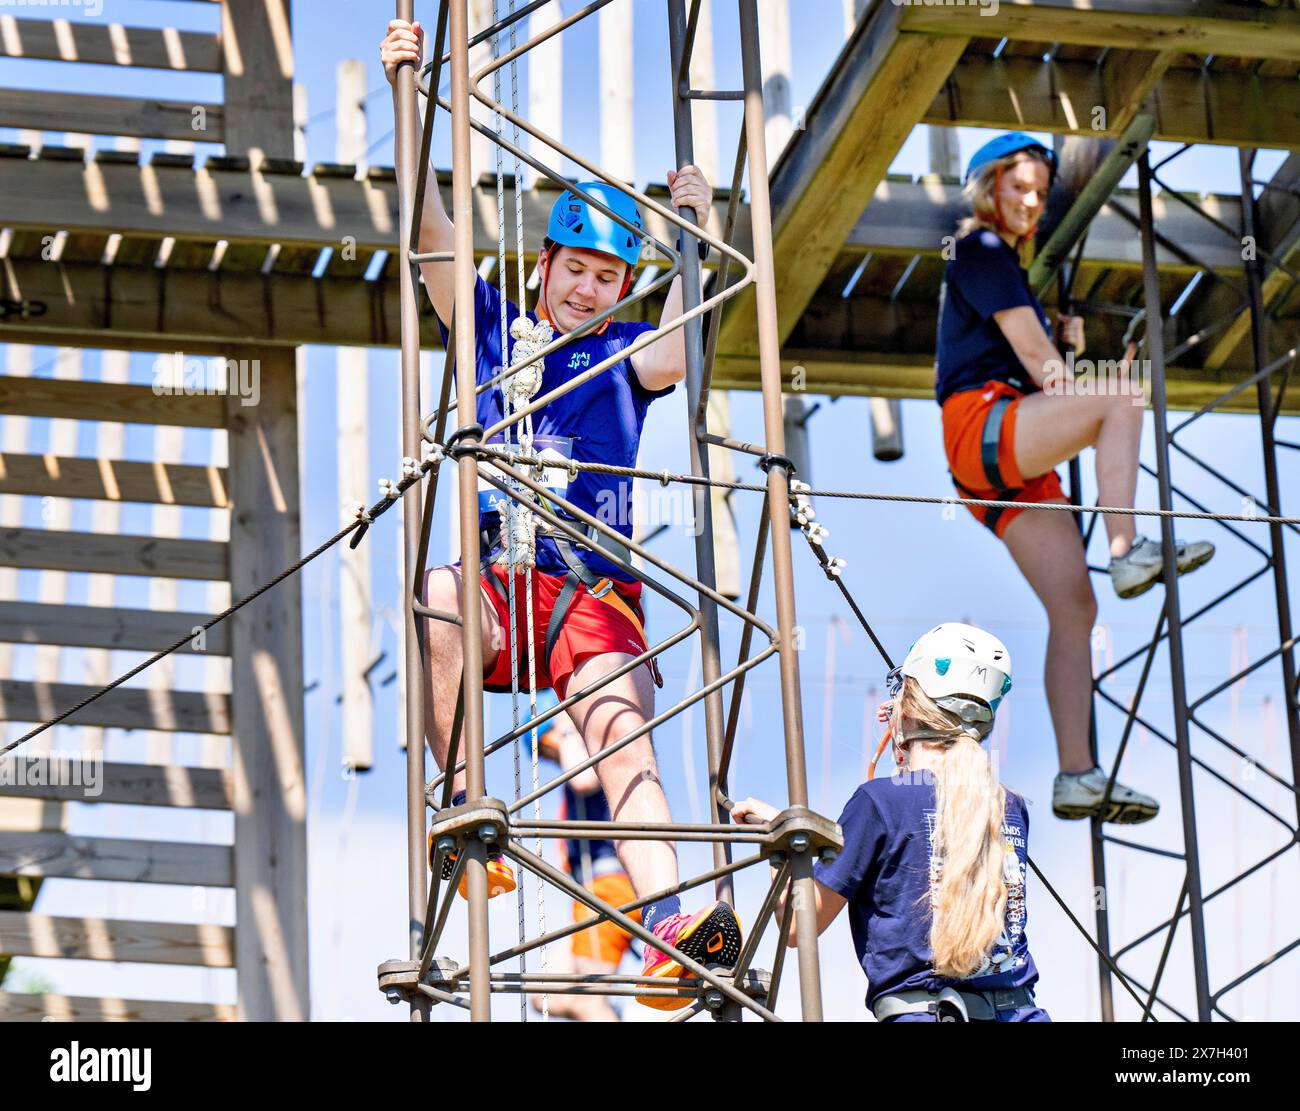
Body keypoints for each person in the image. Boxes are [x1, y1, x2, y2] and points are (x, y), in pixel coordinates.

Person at [382, 20, 742, 1010]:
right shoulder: (496, 323)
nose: (588, 288)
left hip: (587, 589)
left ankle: (672, 917)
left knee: (624, 729)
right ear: (544, 263)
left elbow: (680, 349)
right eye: (576, 268)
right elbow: (432, 238)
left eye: (608, 277)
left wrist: (695, 240)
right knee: (438, 593)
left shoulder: (621, 354)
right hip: (500, 576)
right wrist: (413, 100)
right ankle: (462, 804)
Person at [935, 130, 1216, 824]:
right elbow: (1030, 355)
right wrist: (1072, 388)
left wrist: (1066, 360)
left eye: (1038, 191)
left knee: (1074, 610)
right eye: (1018, 187)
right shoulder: (982, 248)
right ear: (988, 187)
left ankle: (1076, 774)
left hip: (999, 456)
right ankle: (1127, 551)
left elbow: (1030, 347)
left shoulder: (1000, 266)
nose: (1030, 202)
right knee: (1120, 398)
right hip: (984, 423)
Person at [732, 623, 1050, 1022]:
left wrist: (783, 844)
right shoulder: (1010, 806)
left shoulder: (880, 802)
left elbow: (797, 926)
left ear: (910, 710)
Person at [521, 693, 640, 1022]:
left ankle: (605, 1013)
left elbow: (583, 777)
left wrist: (568, 726)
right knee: (543, 994)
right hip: (593, 890)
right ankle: (611, 1013)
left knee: (591, 998)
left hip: (609, 888)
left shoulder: (594, 759)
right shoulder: (580, 764)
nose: (553, 755)